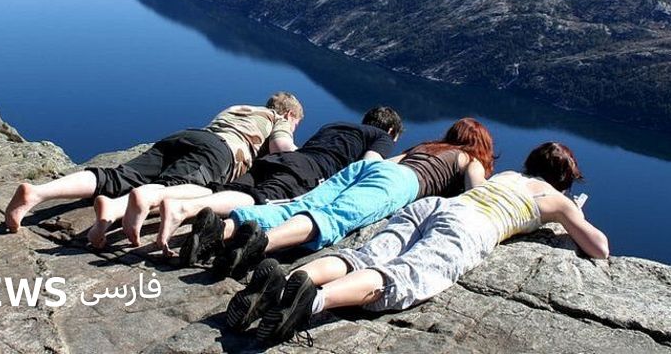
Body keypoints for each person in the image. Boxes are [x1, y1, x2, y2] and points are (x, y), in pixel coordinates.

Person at [232, 142, 609, 345]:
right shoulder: (556, 199)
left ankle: (283, 284)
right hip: (472, 227)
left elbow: (476, 191)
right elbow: (599, 248)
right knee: (402, 277)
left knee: (362, 255)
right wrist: (573, 212)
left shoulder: (510, 175)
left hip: (438, 206)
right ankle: (313, 301)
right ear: (565, 178)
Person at [194, 117, 494, 280]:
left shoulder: (430, 147)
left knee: (303, 204)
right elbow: (477, 192)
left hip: (368, 168)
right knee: (334, 217)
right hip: (403, 183)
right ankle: (259, 244)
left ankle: (221, 231)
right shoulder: (469, 158)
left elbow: (388, 163)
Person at [3, 92, 304, 239]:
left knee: (119, 175)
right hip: (220, 152)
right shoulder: (278, 120)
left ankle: (38, 192)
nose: (295, 126)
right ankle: (113, 210)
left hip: (188, 136)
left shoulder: (240, 107)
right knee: (177, 189)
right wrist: (299, 154)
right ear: (290, 114)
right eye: (297, 122)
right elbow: (283, 148)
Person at [139, 106, 404, 255]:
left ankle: (165, 200)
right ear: (391, 131)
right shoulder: (379, 137)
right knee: (258, 199)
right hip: (309, 172)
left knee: (231, 189)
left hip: (284, 160)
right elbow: (367, 166)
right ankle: (184, 209)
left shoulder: (336, 125)